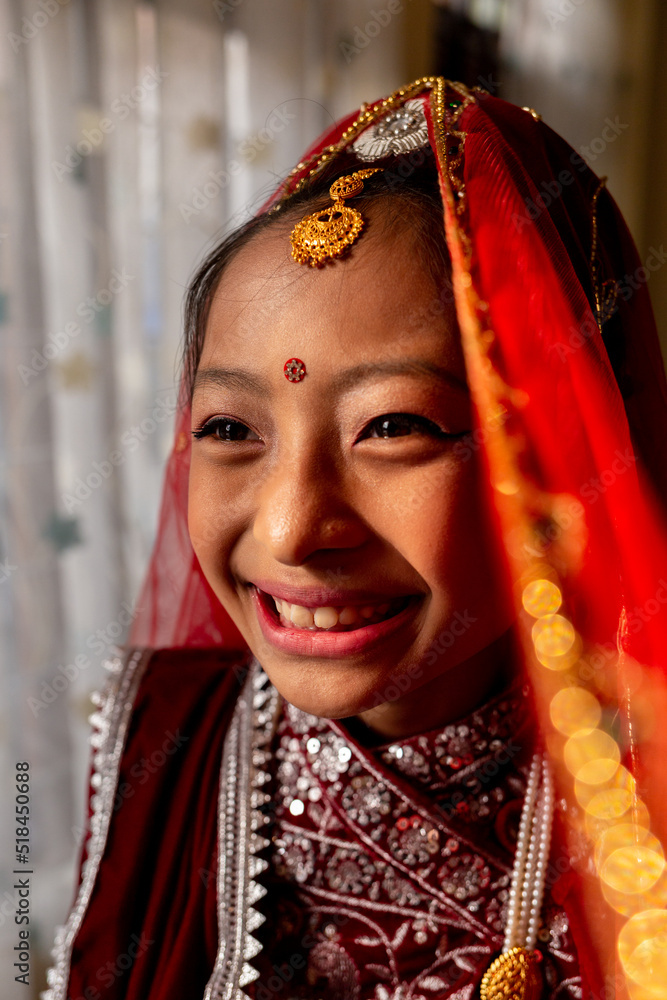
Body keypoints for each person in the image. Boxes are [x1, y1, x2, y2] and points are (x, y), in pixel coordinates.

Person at [44, 77, 667, 1000]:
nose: (293, 529)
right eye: (228, 429)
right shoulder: (159, 743)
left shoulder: (639, 799)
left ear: (557, 460)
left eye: (393, 426)